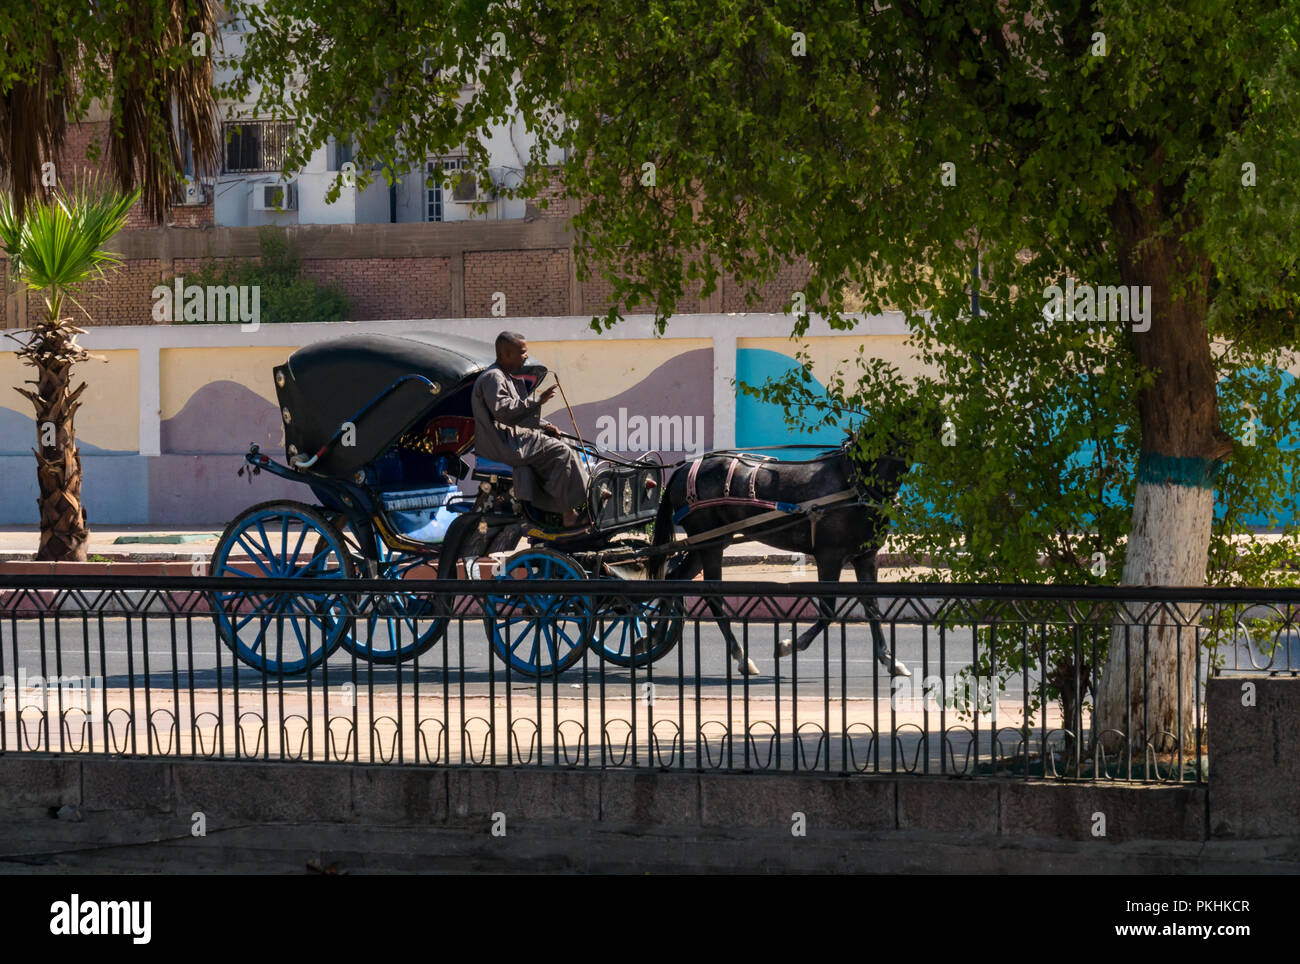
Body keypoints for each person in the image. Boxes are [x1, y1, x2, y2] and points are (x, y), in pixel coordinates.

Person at [471, 331, 587, 527]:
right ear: (506, 354)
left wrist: (545, 426)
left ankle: (575, 499)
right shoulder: (493, 378)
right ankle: (568, 513)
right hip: (502, 443)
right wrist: (537, 400)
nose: (526, 356)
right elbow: (504, 413)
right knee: (561, 452)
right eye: (522, 352)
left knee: (566, 440)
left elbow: (519, 415)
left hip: (512, 437)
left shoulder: (505, 376)